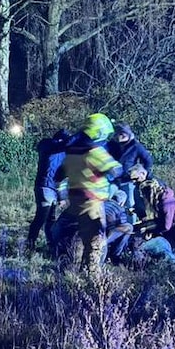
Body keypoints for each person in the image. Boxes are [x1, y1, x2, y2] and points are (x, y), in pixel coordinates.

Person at [55, 113, 122, 272]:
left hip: (75, 201)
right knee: (95, 242)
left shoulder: (72, 153)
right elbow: (116, 171)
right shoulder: (95, 152)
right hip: (93, 203)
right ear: (100, 133)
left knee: (82, 238)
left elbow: (58, 175)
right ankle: (92, 278)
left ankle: (75, 270)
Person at [106, 123, 153, 215]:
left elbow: (148, 160)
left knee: (130, 204)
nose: (119, 136)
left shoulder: (136, 146)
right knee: (109, 200)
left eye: (122, 134)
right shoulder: (111, 145)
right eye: (118, 133)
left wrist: (142, 173)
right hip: (113, 179)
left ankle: (131, 225)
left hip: (128, 180)